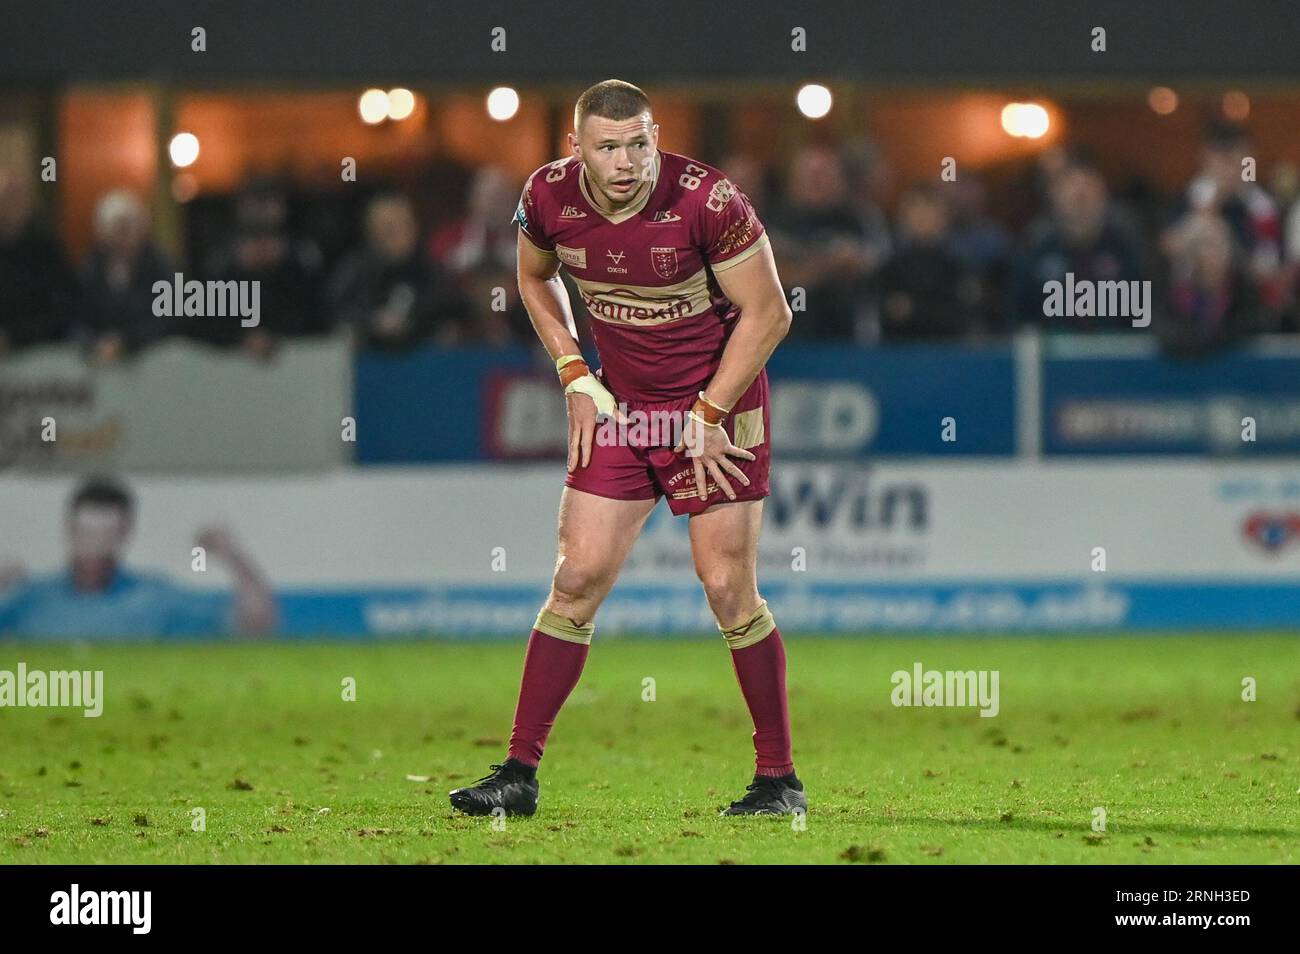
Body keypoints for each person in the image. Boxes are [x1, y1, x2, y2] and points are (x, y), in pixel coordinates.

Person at [448, 79, 803, 818]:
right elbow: (533, 276)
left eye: (639, 143)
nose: (627, 161)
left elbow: (769, 314)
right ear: (575, 149)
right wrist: (574, 373)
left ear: (655, 137)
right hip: (625, 407)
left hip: (718, 407)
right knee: (575, 579)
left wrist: (708, 410)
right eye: (608, 147)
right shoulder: (546, 197)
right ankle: (518, 773)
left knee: (726, 588)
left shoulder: (707, 200)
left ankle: (778, 781)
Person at [0, 476, 277, 640]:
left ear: (125, 533)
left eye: (106, 533)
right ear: (69, 529)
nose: (94, 547)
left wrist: (234, 558)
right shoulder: (30, 600)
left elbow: (254, 626)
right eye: (86, 532)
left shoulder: (155, 599)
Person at [325, 192, 469, 351]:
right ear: (373, 234)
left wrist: (416, 320)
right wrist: (372, 321)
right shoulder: (356, 270)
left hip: (423, 360)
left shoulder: (431, 269)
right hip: (369, 362)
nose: (400, 234)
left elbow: (453, 307)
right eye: (389, 229)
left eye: (405, 225)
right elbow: (335, 310)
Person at [74, 191, 175, 361]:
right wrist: (94, 343)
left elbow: (168, 317)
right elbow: (78, 317)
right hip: (102, 361)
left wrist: (127, 341)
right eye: (116, 229)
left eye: (127, 228)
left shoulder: (161, 268)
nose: (122, 238)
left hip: (154, 360)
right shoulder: (90, 271)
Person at [0, 168, 74, 353]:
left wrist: (17, 337)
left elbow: (64, 304)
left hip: (41, 348)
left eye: (18, 198)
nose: (12, 206)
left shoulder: (47, 247)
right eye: (6, 199)